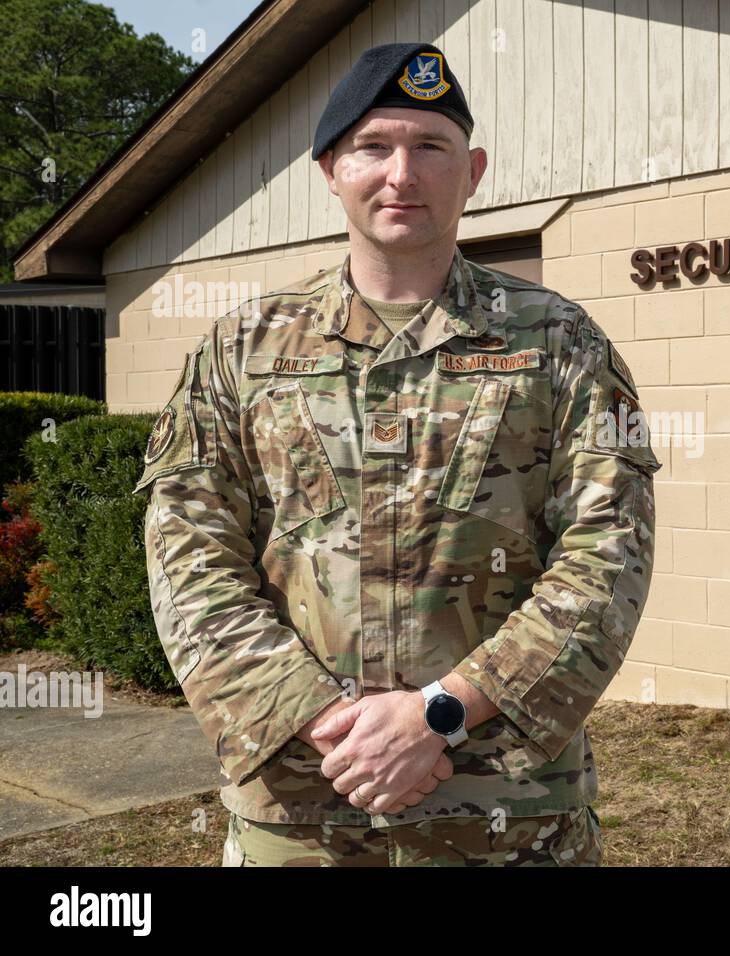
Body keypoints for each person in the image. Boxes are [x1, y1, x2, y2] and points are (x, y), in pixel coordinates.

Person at [134, 42, 660, 866]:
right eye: (374, 146)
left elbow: (608, 555)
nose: (401, 175)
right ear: (330, 169)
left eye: (430, 148)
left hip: (505, 813)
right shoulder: (245, 347)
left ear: (474, 171)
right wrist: (322, 720)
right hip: (304, 804)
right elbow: (188, 550)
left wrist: (443, 713)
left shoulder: (558, 341)